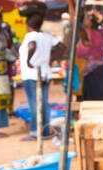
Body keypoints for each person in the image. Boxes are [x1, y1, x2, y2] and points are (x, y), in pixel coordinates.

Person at [18, 8, 63, 140]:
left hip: (31, 75)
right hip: (45, 74)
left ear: (28, 25)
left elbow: (32, 45)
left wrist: (29, 60)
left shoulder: (30, 36)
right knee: (44, 104)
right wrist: (52, 58)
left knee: (34, 105)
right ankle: (44, 131)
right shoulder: (47, 36)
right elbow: (62, 46)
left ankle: (34, 132)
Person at [76, 9, 103, 102]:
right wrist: (102, 50)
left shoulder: (85, 34)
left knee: (92, 103)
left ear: (89, 21)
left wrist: (71, 5)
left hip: (93, 74)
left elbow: (74, 23)